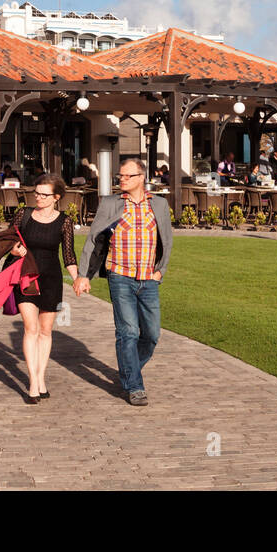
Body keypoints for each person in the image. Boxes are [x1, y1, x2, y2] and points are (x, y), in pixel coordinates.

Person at [76, 157, 173, 406]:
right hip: (120, 276)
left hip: (149, 279)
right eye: (120, 176)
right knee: (128, 332)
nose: (122, 180)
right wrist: (83, 275)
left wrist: (160, 271)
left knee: (151, 335)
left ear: (141, 178)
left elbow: (167, 239)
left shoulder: (159, 205)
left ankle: (129, 371)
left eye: (127, 176)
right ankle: (134, 386)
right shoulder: (110, 204)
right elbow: (93, 239)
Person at [6, 173, 78, 404]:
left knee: (46, 331)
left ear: (56, 197)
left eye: (44, 195)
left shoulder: (64, 221)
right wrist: (15, 250)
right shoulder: (23, 214)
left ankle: (41, 377)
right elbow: (8, 241)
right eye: (36, 193)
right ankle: (33, 382)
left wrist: (78, 279)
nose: (38, 198)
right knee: (31, 328)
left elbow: (68, 255)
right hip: (26, 277)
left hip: (52, 279)